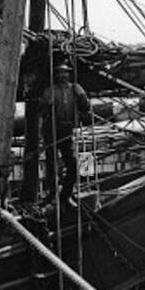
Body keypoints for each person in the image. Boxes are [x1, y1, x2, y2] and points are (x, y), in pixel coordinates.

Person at [40, 62, 92, 207]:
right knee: (52, 164)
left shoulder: (75, 88)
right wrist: (47, 106)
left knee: (73, 164)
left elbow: (85, 107)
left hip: (67, 129)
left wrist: (81, 94)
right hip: (52, 130)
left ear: (68, 74)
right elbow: (43, 112)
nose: (62, 76)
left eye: (65, 73)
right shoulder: (50, 90)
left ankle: (66, 194)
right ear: (56, 75)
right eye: (59, 73)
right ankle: (52, 194)